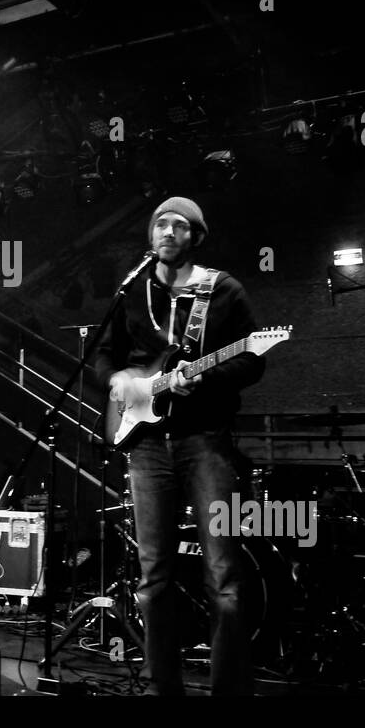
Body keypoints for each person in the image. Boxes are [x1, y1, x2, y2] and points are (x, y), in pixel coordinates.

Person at [94, 197, 265, 695]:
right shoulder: (133, 290)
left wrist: (202, 382)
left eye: (179, 225)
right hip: (146, 446)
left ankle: (229, 689)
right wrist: (120, 381)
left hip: (205, 442)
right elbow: (103, 355)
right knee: (154, 579)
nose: (167, 231)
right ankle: (159, 686)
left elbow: (253, 358)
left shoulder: (224, 289)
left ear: (195, 236)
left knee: (224, 576)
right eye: (159, 224)